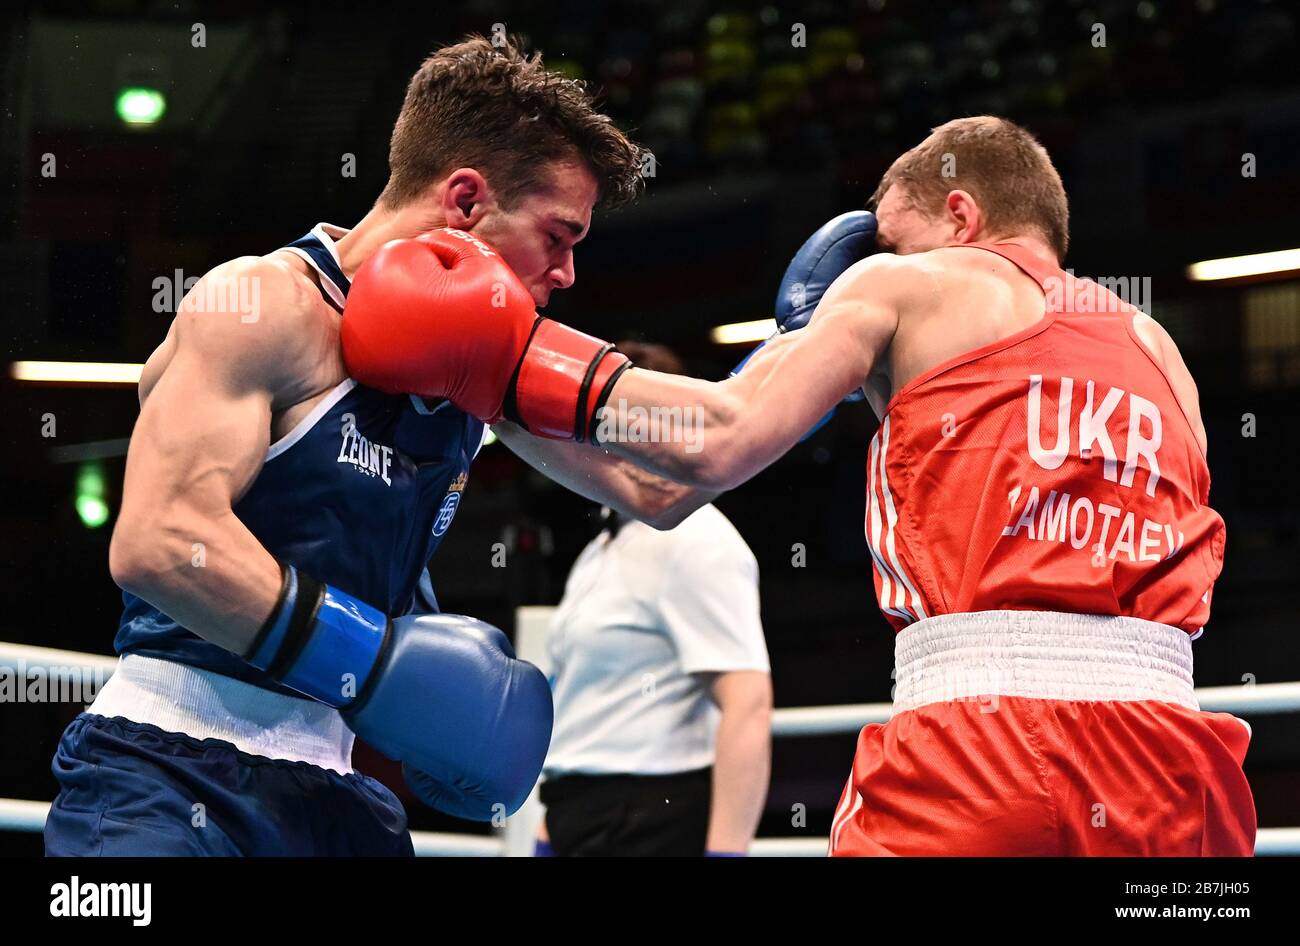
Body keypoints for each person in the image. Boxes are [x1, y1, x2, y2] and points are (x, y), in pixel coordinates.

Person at [360, 116, 1255, 856]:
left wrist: (502, 358)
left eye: (894, 236)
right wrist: (495, 406)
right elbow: (661, 497)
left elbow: (710, 442)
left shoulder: (907, 282)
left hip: (985, 753)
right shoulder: (1160, 352)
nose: (879, 255)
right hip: (1178, 769)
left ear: (960, 213)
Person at [44, 35, 702, 857]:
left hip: (335, 792)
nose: (568, 274)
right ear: (465, 201)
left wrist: (823, 347)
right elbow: (159, 543)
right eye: (559, 236)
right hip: (163, 771)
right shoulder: (264, 306)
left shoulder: (478, 369)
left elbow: (662, 485)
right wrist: (377, 664)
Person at [534, 342, 772, 858]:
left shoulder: (698, 539)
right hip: (578, 812)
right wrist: (549, 834)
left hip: (654, 819)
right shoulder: (602, 546)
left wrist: (726, 854)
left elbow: (747, 704)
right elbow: (585, 702)